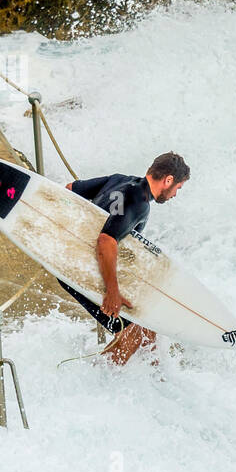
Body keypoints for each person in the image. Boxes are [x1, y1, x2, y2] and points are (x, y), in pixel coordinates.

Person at [60, 152, 190, 364]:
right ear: (168, 180)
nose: (175, 194)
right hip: (83, 271)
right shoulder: (139, 202)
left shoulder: (119, 180)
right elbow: (106, 240)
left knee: (148, 329)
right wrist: (113, 292)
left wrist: (75, 231)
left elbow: (70, 190)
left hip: (82, 260)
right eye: (178, 188)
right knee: (132, 337)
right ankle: (101, 381)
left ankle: (155, 380)